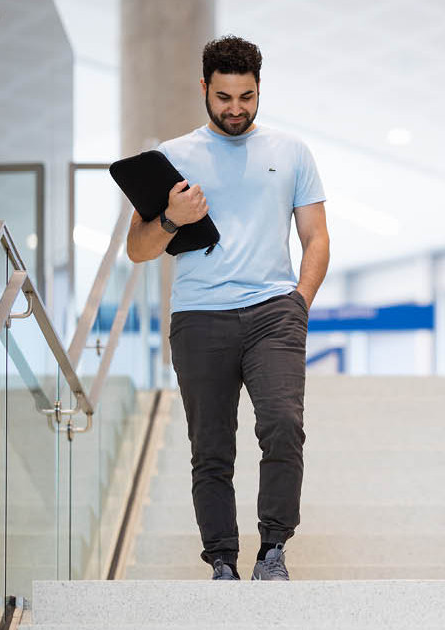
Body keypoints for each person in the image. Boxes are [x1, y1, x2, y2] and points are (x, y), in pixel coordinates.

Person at [126, 35, 329, 581]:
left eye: (246, 96)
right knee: (210, 445)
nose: (235, 109)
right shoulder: (171, 157)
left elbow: (315, 237)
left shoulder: (292, 152)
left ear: (259, 88)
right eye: (223, 97)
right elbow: (138, 250)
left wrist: (299, 303)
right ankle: (221, 559)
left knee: (283, 426)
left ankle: (273, 550)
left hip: (273, 311)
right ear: (204, 89)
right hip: (198, 317)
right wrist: (170, 218)